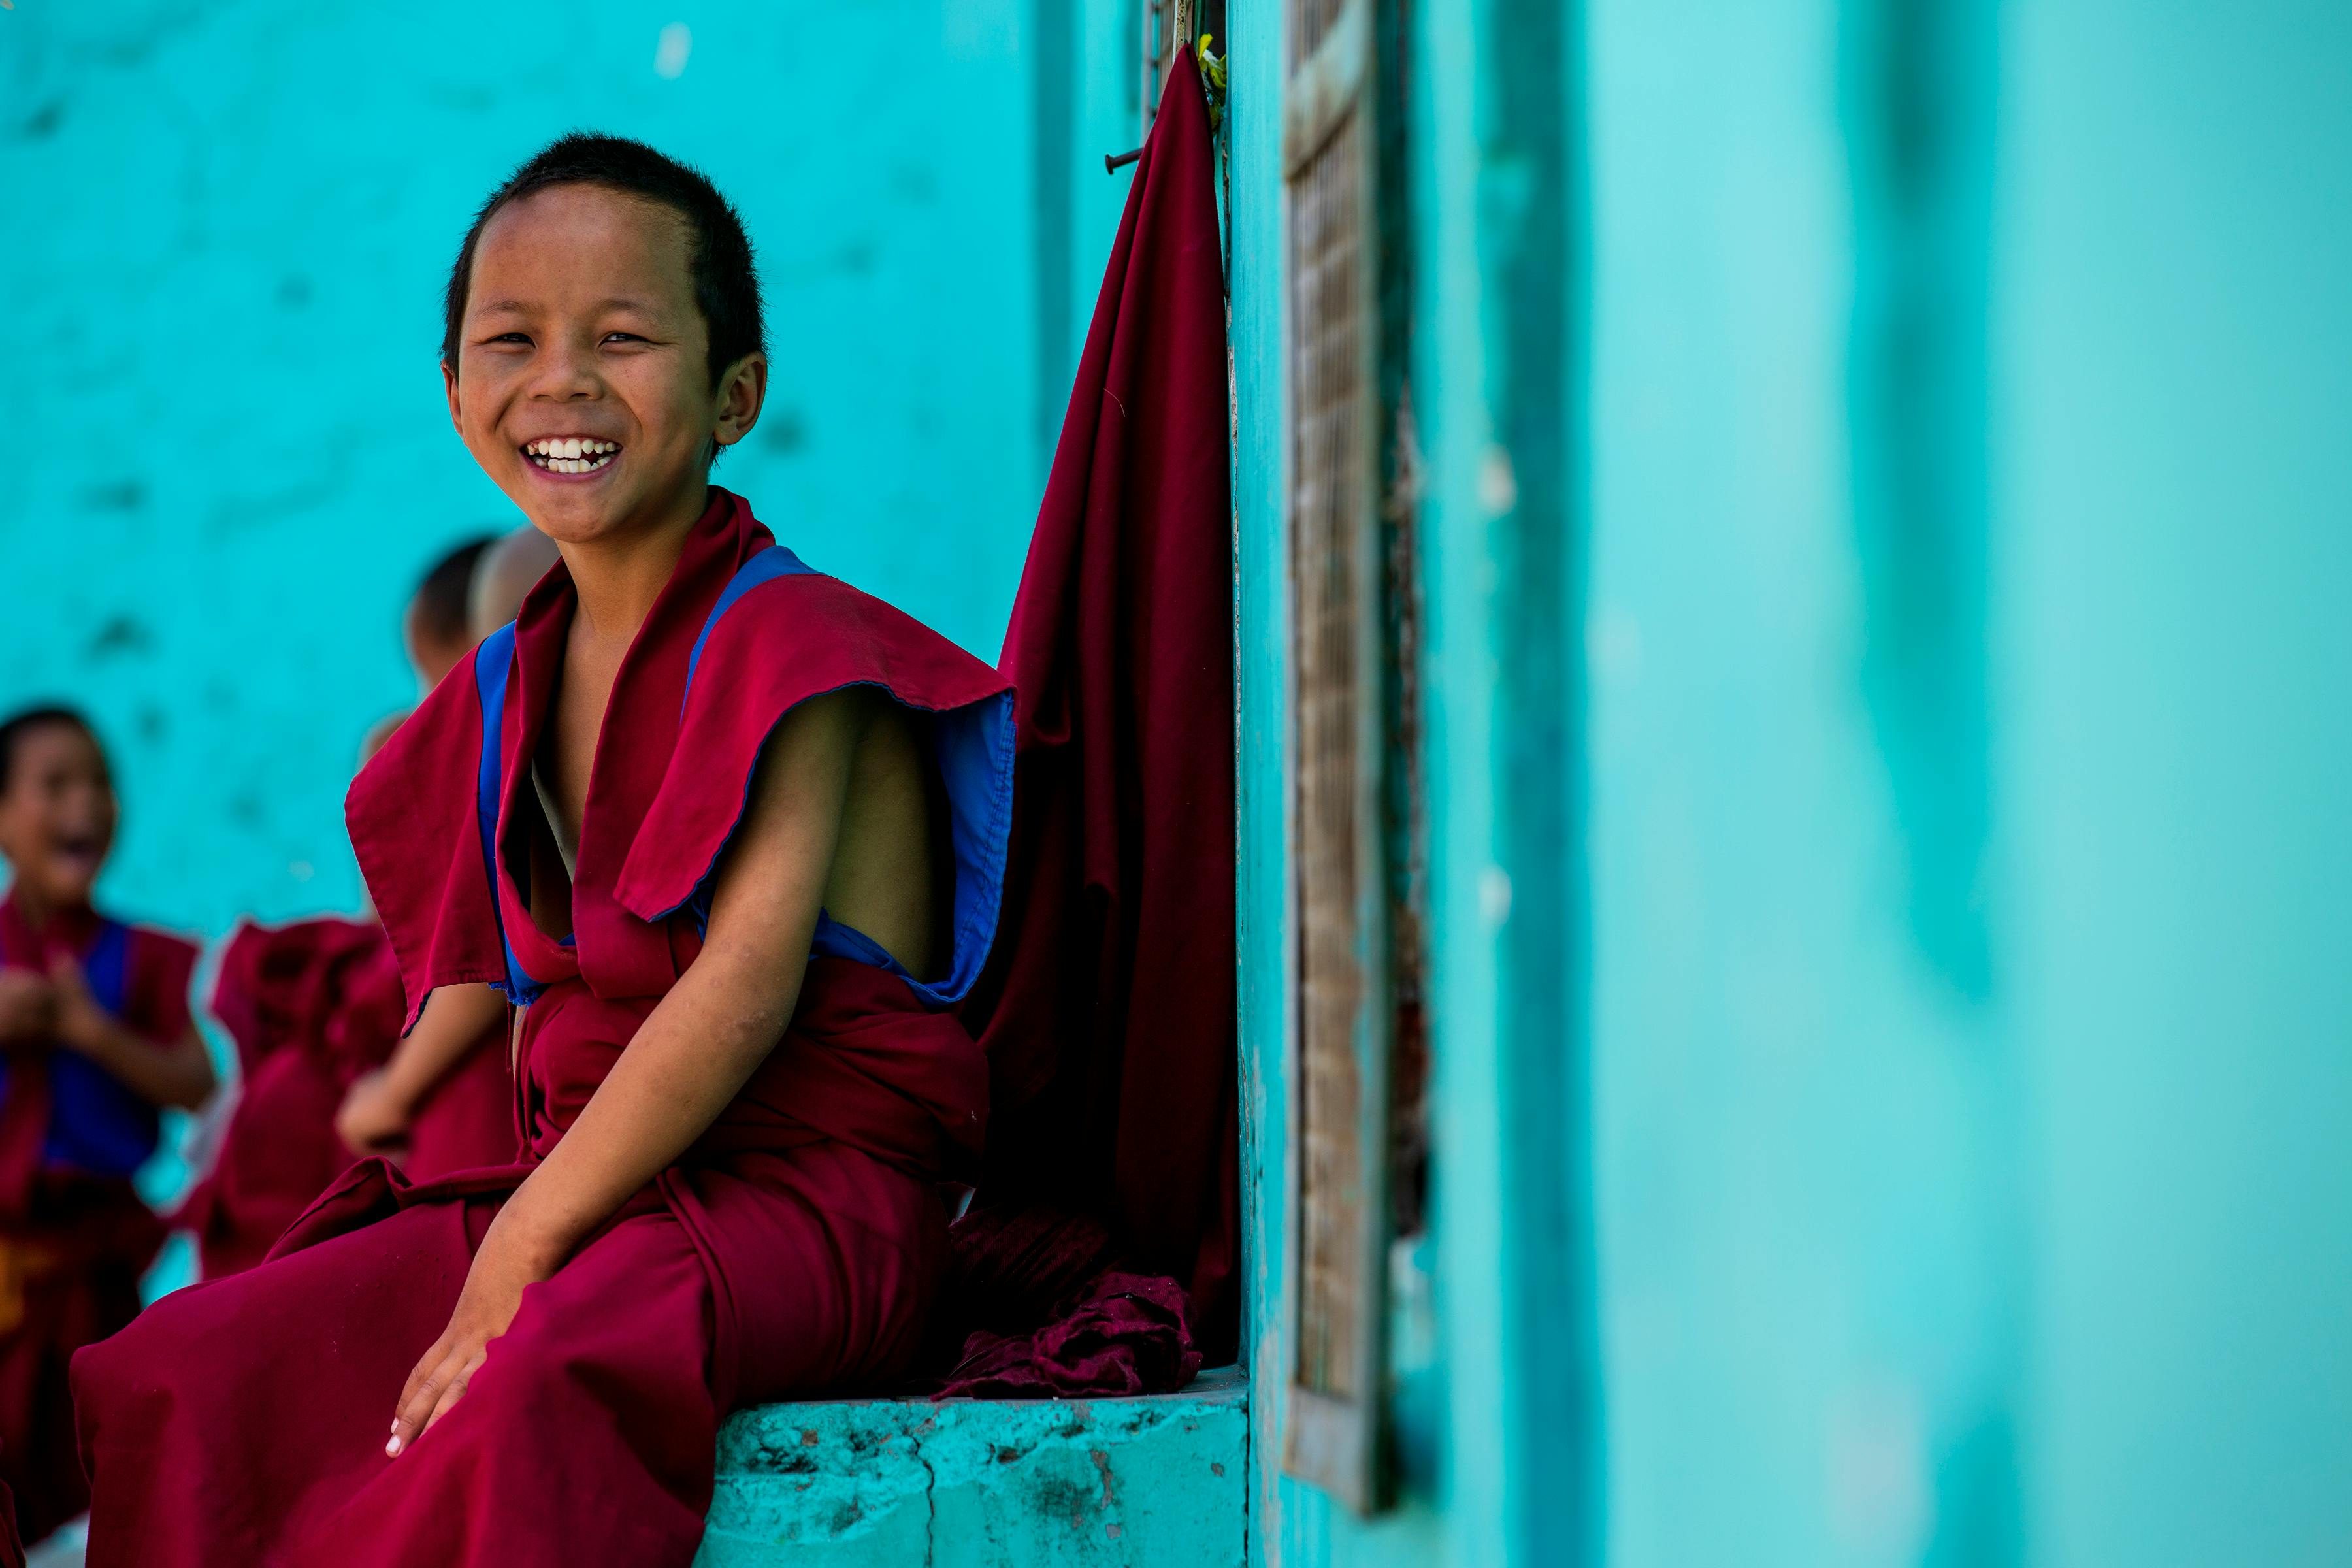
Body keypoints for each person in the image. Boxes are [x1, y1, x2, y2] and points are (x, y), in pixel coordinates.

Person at [74, 135, 1010, 1566]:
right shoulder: (512, 681)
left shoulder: (798, 650)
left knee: (521, 1396)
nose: (562, 380)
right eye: (510, 340)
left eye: (624, 337)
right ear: (457, 392)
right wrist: (474, 1189)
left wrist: (515, 1256)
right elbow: (491, 969)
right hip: (597, 1190)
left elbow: (738, 995)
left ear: (734, 394)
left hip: (807, 1208)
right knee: (195, 1369)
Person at [0, 708, 212, 1547]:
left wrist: (94, 1034)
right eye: (56, 785)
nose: (86, 803)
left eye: (100, 783)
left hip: (97, 1277)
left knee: (110, 1484)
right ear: (4, 815)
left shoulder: (151, 957)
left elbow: (198, 1085)